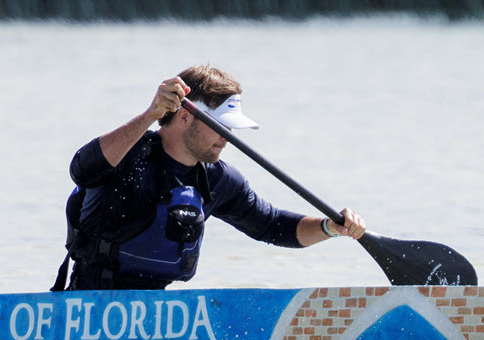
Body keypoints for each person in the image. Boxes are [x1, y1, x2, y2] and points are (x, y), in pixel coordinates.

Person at [52, 65, 365, 291]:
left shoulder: (218, 180)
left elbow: (272, 226)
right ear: (186, 116)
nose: (227, 138)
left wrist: (330, 227)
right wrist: (151, 114)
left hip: (157, 309)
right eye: (221, 127)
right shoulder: (129, 155)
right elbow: (81, 170)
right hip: (88, 301)